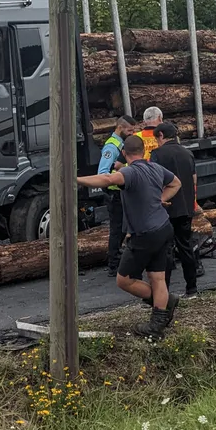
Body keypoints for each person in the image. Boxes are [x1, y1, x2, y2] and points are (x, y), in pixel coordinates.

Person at [79, 136, 181, 337]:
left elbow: (107, 179)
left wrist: (76, 179)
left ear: (124, 154)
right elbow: (176, 183)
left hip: (144, 234)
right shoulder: (156, 168)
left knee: (124, 280)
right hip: (163, 227)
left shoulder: (129, 172)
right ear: (143, 151)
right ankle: (157, 323)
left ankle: (164, 305)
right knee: (157, 277)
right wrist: (159, 200)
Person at [150, 122, 203, 299]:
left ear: (161, 136)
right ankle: (192, 288)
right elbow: (194, 179)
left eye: (157, 138)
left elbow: (154, 181)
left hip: (166, 209)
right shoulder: (187, 152)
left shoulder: (157, 154)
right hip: (186, 207)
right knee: (185, 246)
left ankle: (163, 292)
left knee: (166, 249)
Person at [99, 114, 140, 276]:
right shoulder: (111, 147)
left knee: (125, 228)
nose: (132, 133)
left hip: (122, 192)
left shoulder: (121, 143)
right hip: (115, 194)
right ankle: (114, 264)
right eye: (129, 130)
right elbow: (103, 172)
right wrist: (122, 169)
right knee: (117, 230)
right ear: (120, 128)